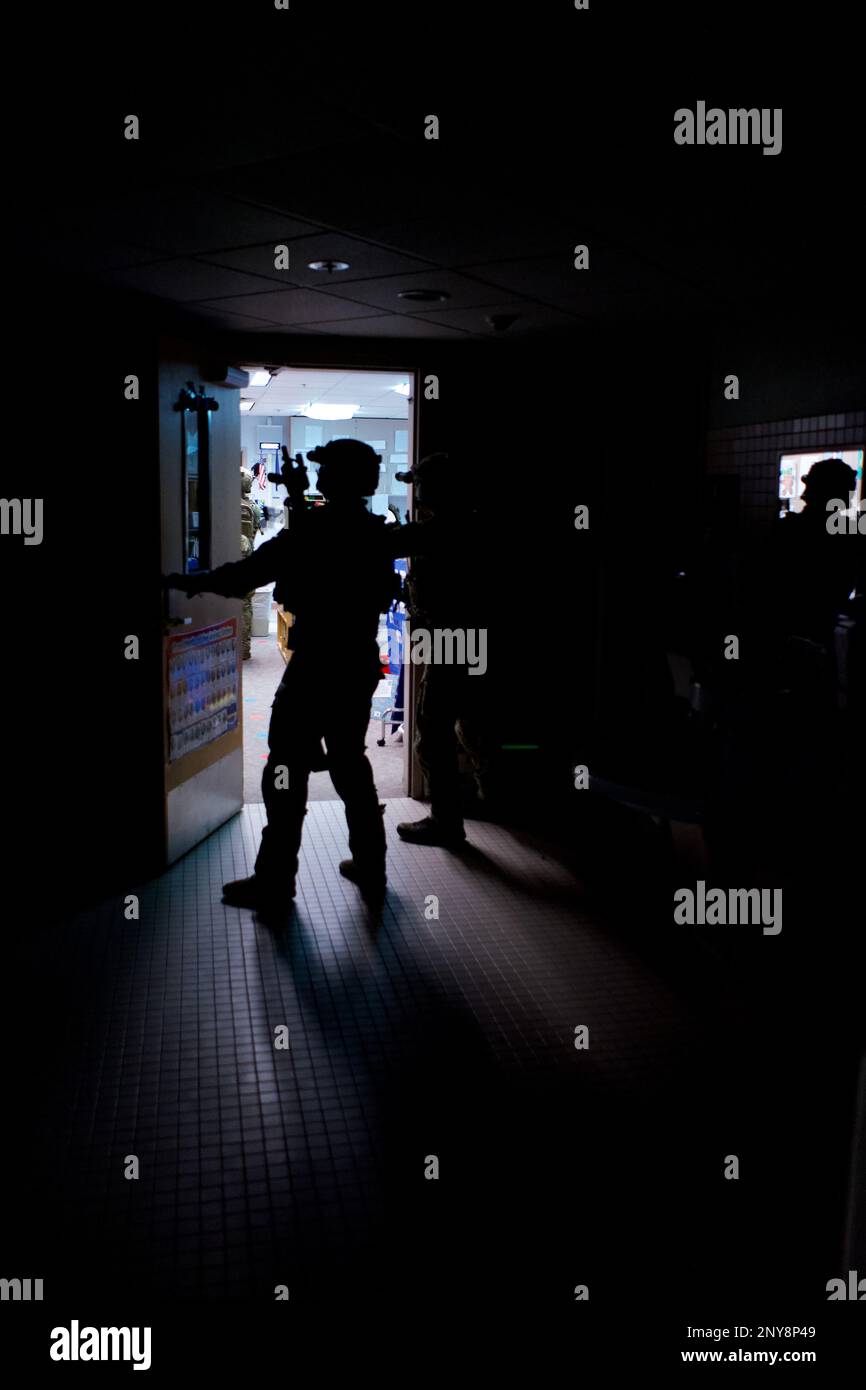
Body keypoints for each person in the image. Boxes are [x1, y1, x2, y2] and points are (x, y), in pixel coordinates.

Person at [165, 440, 398, 916]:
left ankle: (275, 881)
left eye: (323, 473)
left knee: (285, 772)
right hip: (356, 665)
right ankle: (372, 867)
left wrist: (185, 582)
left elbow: (241, 576)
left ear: (330, 480)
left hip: (315, 668)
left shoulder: (308, 536)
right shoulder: (380, 534)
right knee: (351, 764)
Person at [386, 452, 493, 849]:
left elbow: (388, 542)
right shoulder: (473, 523)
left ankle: (446, 821)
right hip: (471, 640)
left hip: (451, 642)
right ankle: (488, 798)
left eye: (422, 484)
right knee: (472, 724)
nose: (417, 492)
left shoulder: (442, 529)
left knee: (432, 732)